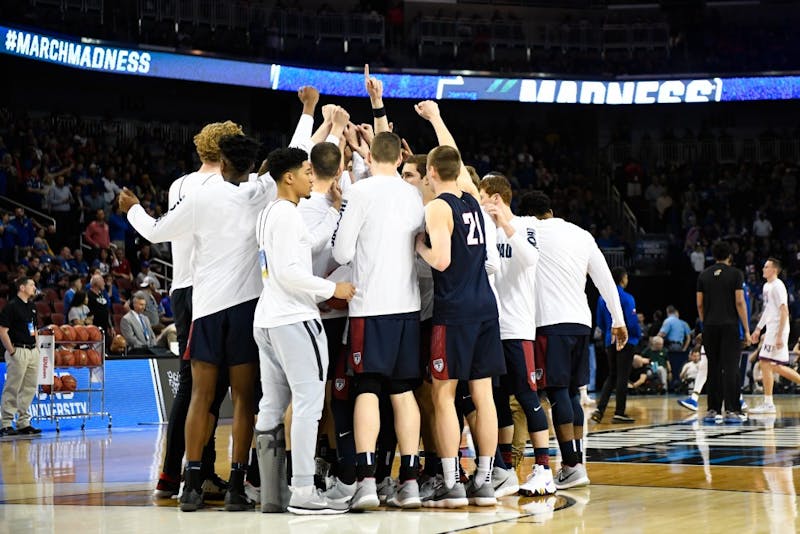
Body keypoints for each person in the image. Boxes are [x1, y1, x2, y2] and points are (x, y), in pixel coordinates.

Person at [120, 134, 273, 512]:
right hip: (245, 310)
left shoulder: (200, 196)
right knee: (243, 402)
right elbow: (292, 153)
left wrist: (133, 208)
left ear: (221, 163)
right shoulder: (261, 192)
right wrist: (310, 114)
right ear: (252, 166)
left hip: (206, 311)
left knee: (201, 398)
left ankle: (190, 484)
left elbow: (154, 232)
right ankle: (237, 485)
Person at [253, 147, 356, 515]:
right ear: (288, 177)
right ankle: (302, 492)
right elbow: (289, 273)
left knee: (272, 405)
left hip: (268, 318)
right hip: (294, 319)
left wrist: (332, 211)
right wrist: (333, 289)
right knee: (310, 404)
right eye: (307, 172)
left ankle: (271, 494)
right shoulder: (285, 216)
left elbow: (307, 246)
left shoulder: (274, 213)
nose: (313, 177)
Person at [331, 131, 425, 511]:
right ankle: (411, 482)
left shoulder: (361, 192)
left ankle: (367, 481)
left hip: (370, 307)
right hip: (408, 306)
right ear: (400, 159)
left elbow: (340, 249)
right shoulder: (413, 195)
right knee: (403, 392)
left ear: (369, 158)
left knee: (367, 387)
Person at [518, 190, 627, 490]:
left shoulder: (526, 230)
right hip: (581, 323)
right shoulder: (581, 234)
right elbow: (604, 278)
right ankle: (575, 463)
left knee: (556, 393)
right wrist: (618, 320)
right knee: (571, 393)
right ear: (551, 211)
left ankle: (571, 465)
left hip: (548, 324)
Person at [415, 142, 503, 507]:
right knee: (484, 395)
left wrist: (419, 245)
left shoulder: (438, 206)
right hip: (485, 306)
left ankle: (452, 481)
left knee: (443, 394)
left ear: (431, 172)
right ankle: (483, 480)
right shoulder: (473, 203)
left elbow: (441, 259)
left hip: (454, 310)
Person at [478, 174, 554, 497]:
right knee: (499, 401)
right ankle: (506, 469)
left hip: (520, 328)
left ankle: (544, 469)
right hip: (493, 327)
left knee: (527, 396)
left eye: (483, 196)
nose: (480, 201)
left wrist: (504, 224)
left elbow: (530, 259)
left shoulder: (526, 225)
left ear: (496, 197)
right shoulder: (483, 228)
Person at [696, 241, 750, 424]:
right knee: (731, 368)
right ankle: (733, 410)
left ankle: (713, 410)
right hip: (730, 326)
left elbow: (699, 304)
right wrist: (747, 330)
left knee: (714, 368)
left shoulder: (703, 275)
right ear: (729, 256)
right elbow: (740, 302)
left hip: (710, 326)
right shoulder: (736, 274)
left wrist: (705, 324)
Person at [749, 258, 800, 413]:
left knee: (765, 362)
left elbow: (784, 311)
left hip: (778, 329)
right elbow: (768, 310)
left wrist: (779, 335)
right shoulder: (766, 286)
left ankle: (768, 403)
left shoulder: (778, 286)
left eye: (766, 267)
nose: (763, 269)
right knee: (774, 366)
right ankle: (768, 403)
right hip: (771, 329)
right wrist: (758, 329)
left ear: (774, 270)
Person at [592, 266, 642, 424]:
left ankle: (600, 410)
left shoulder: (602, 298)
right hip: (625, 340)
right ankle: (619, 412)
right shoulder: (627, 298)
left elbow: (599, 321)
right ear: (622, 279)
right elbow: (632, 322)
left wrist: (609, 331)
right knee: (622, 376)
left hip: (609, 339)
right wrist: (637, 335)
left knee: (612, 375)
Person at [0, 277, 42, 436]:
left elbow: (34, 328)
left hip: (32, 351)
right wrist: (12, 351)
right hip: (18, 350)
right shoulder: (11, 307)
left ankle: (23, 422)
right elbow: (2, 331)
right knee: (13, 387)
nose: (34, 287)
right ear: (22, 287)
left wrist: (37, 347)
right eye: (32, 285)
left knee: (29, 388)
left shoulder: (32, 306)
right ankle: (5, 423)